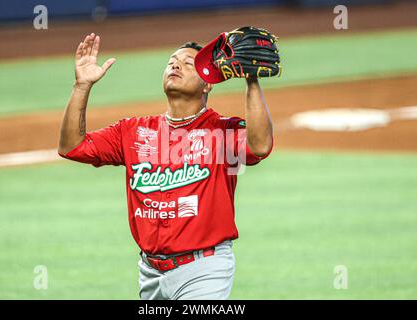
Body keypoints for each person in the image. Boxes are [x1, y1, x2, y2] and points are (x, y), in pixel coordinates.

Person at [58, 33, 274, 300]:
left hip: (204, 269)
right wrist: (82, 87)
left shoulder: (221, 131)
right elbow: (71, 147)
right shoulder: (132, 131)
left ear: (208, 84)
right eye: (172, 61)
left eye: (187, 63)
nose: (175, 65)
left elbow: (260, 146)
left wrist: (252, 81)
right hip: (150, 272)